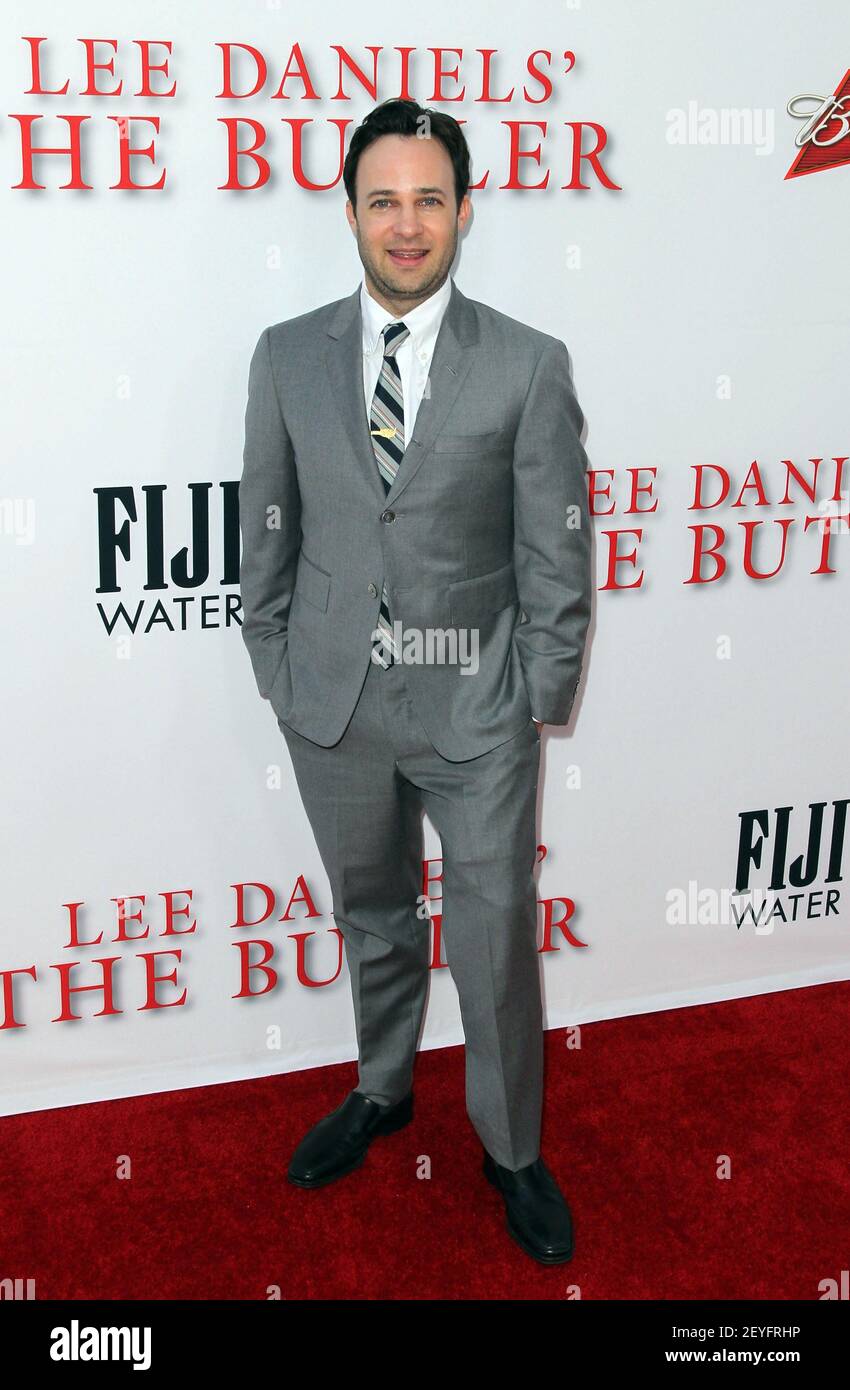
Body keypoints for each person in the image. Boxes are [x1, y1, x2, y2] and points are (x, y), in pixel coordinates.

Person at [238, 96, 592, 1264]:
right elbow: (267, 530)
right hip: (333, 704)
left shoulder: (529, 365)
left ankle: (510, 1152)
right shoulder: (286, 354)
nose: (404, 224)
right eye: (381, 200)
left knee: (490, 941)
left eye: (427, 200)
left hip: (475, 709)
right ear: (349, 210)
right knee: (374, 913)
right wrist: (279, 665)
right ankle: (382, 1088)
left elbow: (555, 548)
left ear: (464, 211)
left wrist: (538, 697)